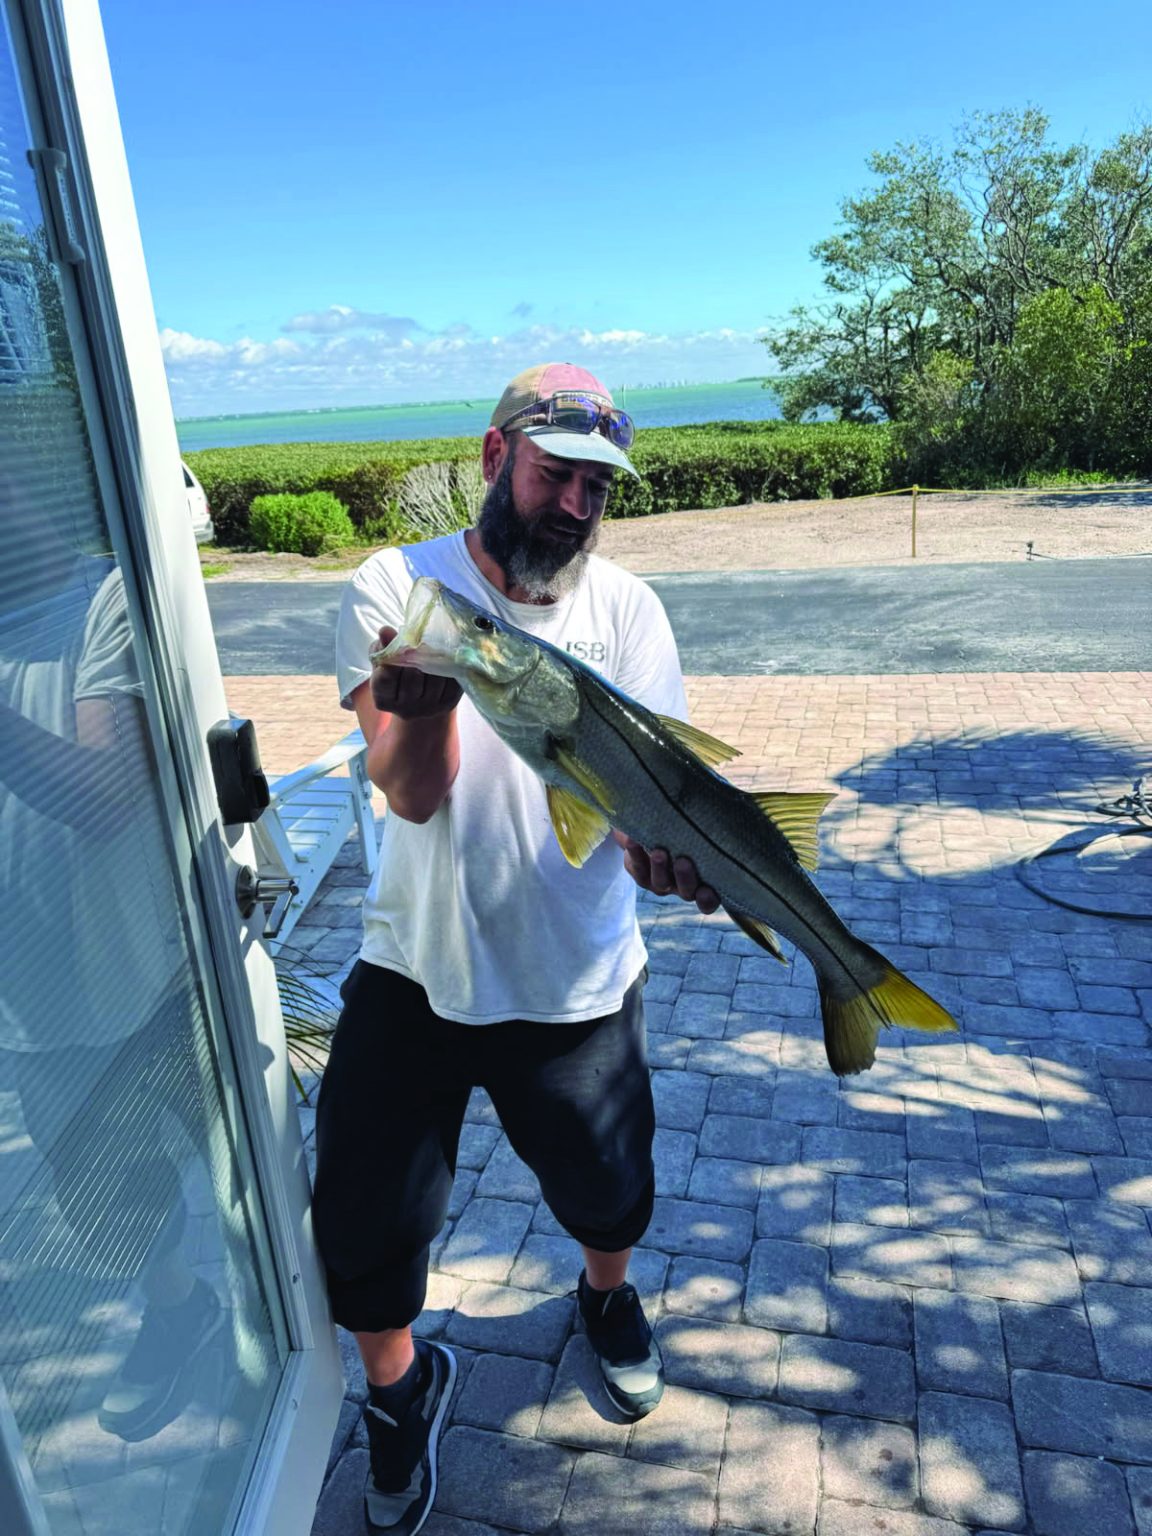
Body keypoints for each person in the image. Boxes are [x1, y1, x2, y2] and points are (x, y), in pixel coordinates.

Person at [316, 363, 717, 1534]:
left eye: (599, 488)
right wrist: (423, 704)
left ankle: (606, 1297)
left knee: (609, 1186)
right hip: (415, 968)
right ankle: (401, 1391)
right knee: (364, 1223)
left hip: (577, 974)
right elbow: (413, 796)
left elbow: (649, 807)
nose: (577, 508)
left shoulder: (628, 612)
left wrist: (664, 856)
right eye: (557, 476)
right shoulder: (397, 586)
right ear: (496, 457)